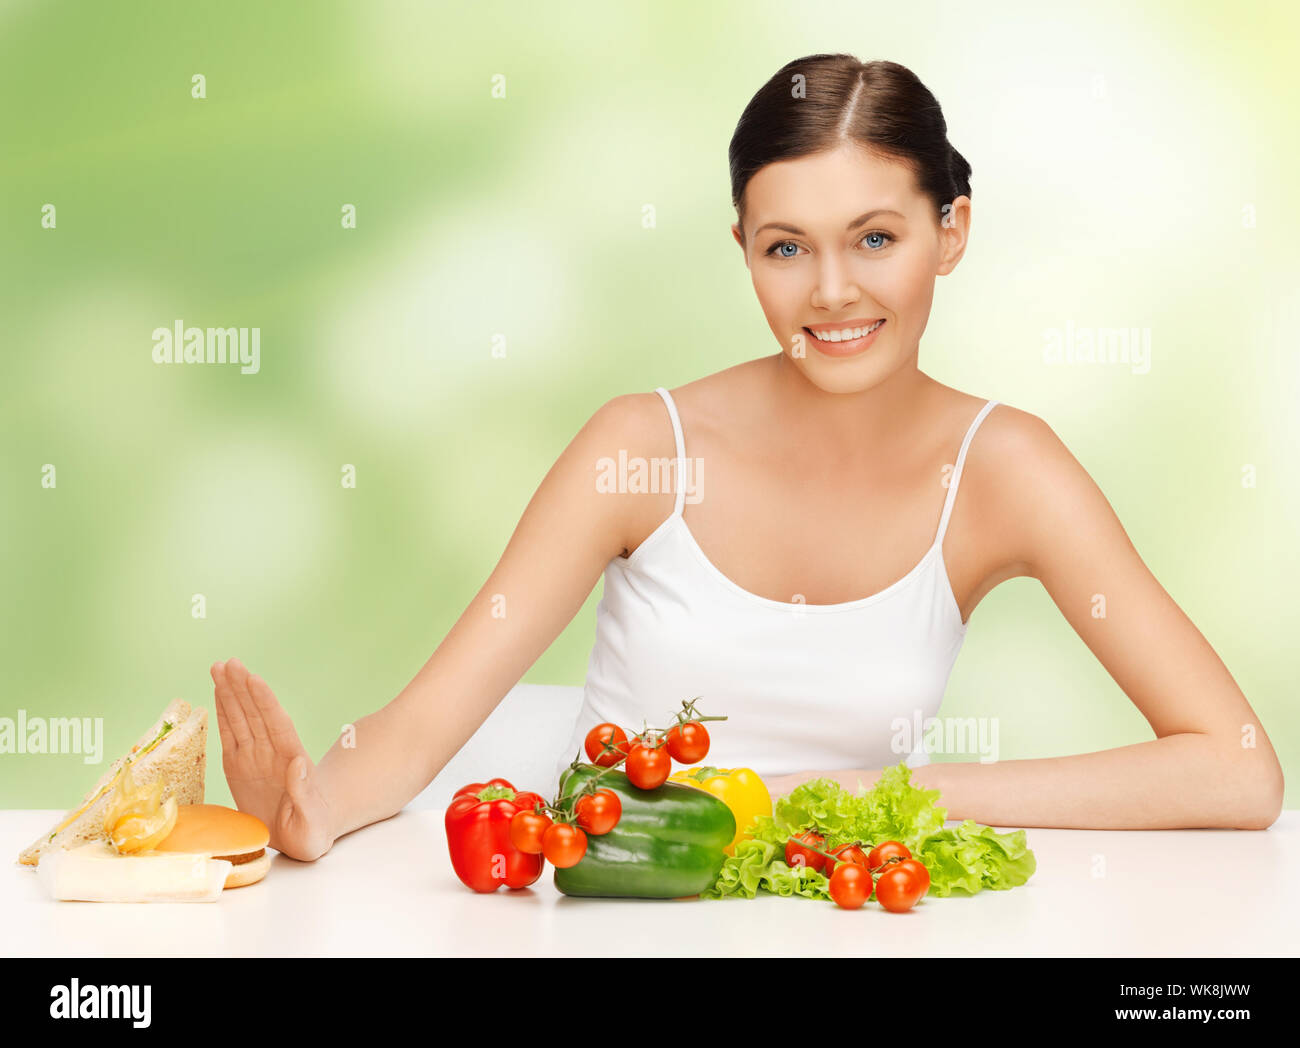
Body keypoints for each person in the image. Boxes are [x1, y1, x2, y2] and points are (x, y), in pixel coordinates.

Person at [211, 54, 1283, 863]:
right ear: (743, 249)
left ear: (950, 232)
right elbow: (413, 734)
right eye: (785, 248)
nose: (829, 293)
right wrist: (304, 813)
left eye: (874, 238)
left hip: (832, 903)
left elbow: (1237, 768)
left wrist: (884, 792)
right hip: (602, 888)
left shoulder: (1005, 468)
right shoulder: (642, 447)